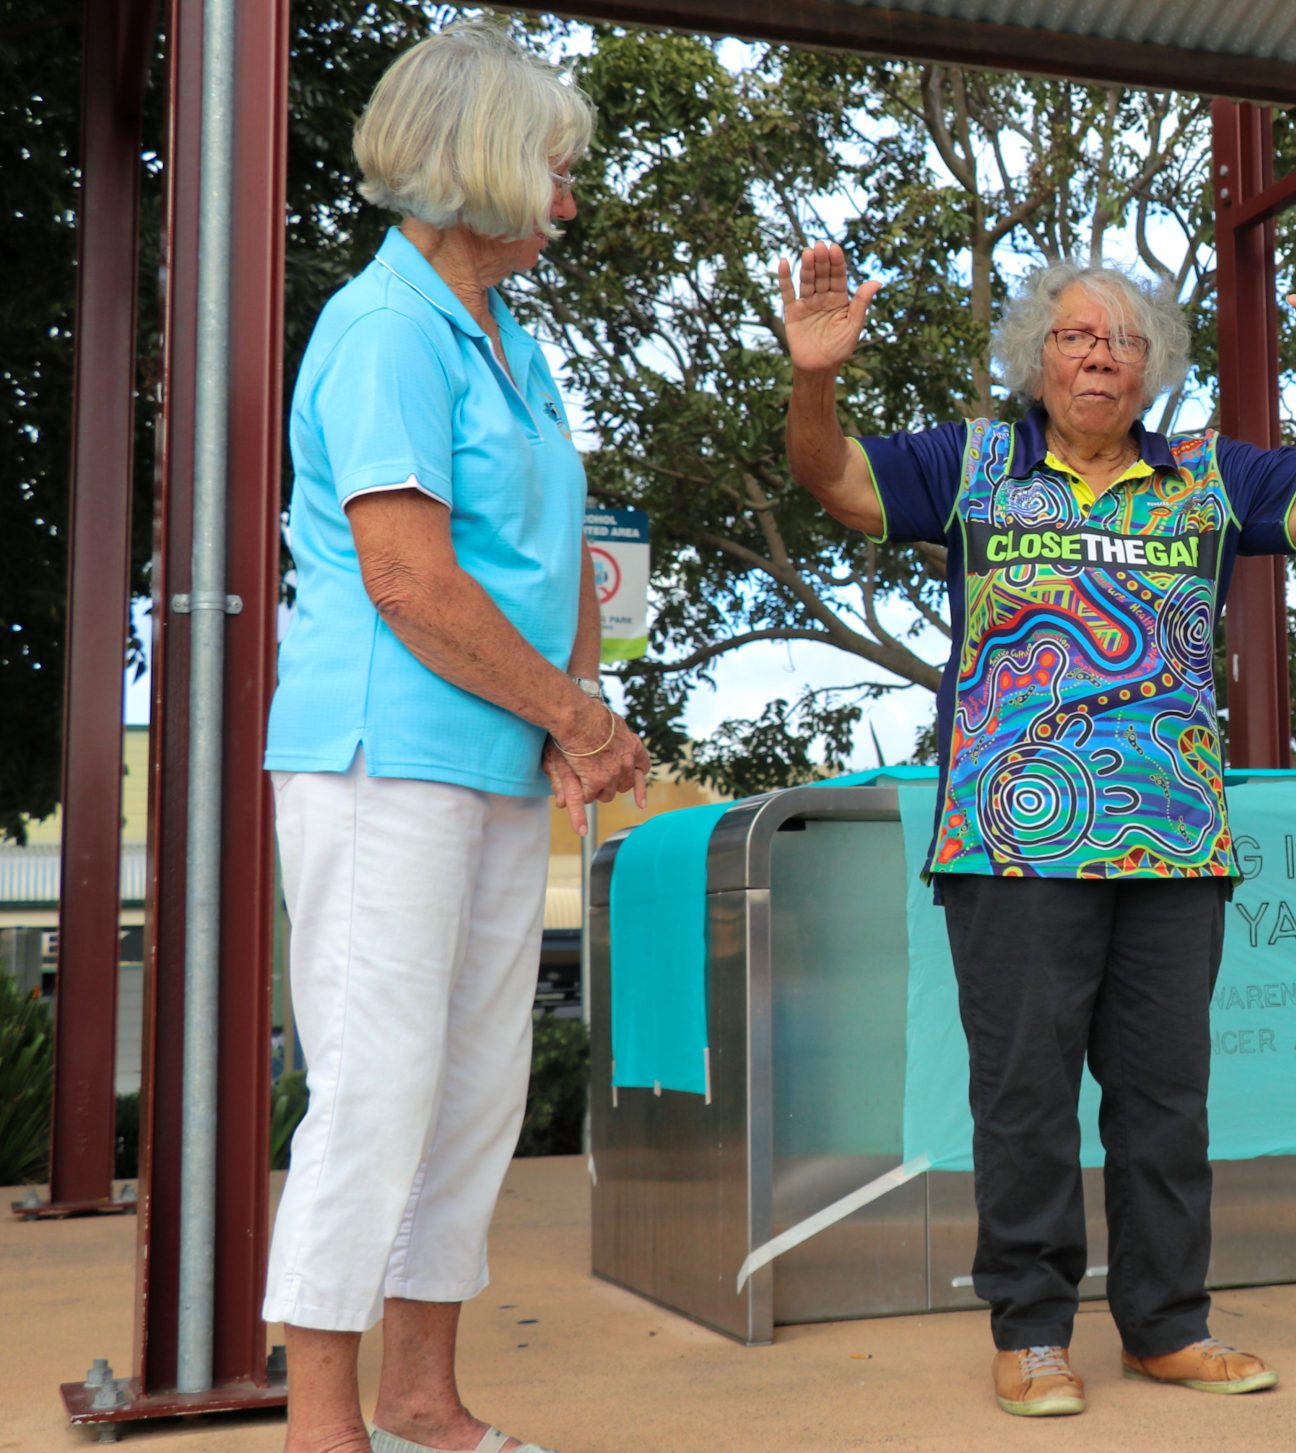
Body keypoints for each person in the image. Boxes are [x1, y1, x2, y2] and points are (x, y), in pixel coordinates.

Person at [779, 222, 1296, 1417]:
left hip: (1172, 839)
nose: (1097, 357)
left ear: (1151, 367)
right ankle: (1033, 1329)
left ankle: (1166, 1325)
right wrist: (813, 375)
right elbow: (833, 480)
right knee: (1024, 1093)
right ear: (1035, 359)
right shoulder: (967, 463)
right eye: (1073, 336)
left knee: (1166, 1098)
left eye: (1121, 340)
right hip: (1008, 841)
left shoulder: (1207, 476)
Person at [262, 23, 646, 1453]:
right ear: (481, 161)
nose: (567, 193)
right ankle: (324, 1427)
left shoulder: (508, 340)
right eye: (552, 163)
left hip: (492, 761)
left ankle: (423, 1404)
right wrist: (571, 715)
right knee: (376, 1086)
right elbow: (411, 580)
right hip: (385, 757)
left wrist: (570, 721)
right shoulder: (380, 330)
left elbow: (556, 561)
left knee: (477, 1091)